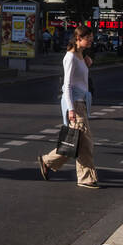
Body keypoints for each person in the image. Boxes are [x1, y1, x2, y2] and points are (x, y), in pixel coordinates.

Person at [37, 25, 100, 189]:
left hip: (82, 103)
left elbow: (81, 80)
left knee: (76, 142)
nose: (91, 42)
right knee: (85, 142)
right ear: (79, 39)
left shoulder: (81, 55)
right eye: (89, 39)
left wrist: (87, 64)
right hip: (76, 104)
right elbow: (67, 86)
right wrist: (71, 109)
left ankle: (47, 161)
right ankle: (86, 178)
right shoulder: (70, 57)